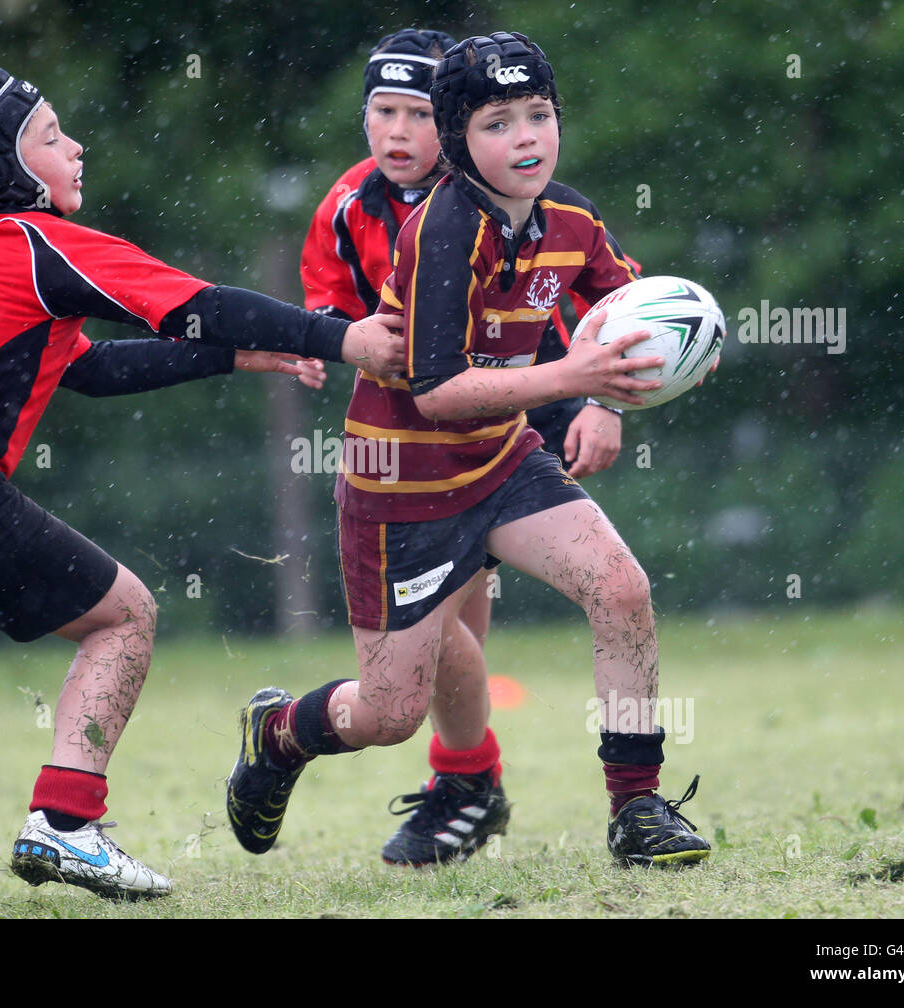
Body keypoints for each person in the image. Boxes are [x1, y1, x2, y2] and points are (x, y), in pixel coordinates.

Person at [0, 64, 403, 918]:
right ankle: (66, 818)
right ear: (8, 171)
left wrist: (235, 356)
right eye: (53, 135)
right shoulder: (40, 242)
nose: (78, 146)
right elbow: (197, 304)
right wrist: (340, 334)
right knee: (125, 617)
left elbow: (90, 372)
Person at [230, 32, 711, 871]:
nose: (526, 137)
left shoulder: (571, 219)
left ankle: (639, 809)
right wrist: (572, 374)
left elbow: (628, 310)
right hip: (399, 487)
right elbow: (437, 393)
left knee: (621, 587)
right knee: (389, 713)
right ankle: (279, 733)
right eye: (498, 122)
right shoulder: (440, 232)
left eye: (540, 115)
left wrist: (664, 364)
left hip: (501, 460)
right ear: (460, 142)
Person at [298, 29, 630, 865]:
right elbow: (331, 313)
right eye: (385, 112)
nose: (399, 131)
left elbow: (590, 299)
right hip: (407, 442)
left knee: (513, 612)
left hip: (526, 402)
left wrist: (599, 395)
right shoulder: (357, 206)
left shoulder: (531, 199)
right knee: (428, 660)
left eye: (417, 112)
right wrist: (326, 339)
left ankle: (471, 785)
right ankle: (455, 775)